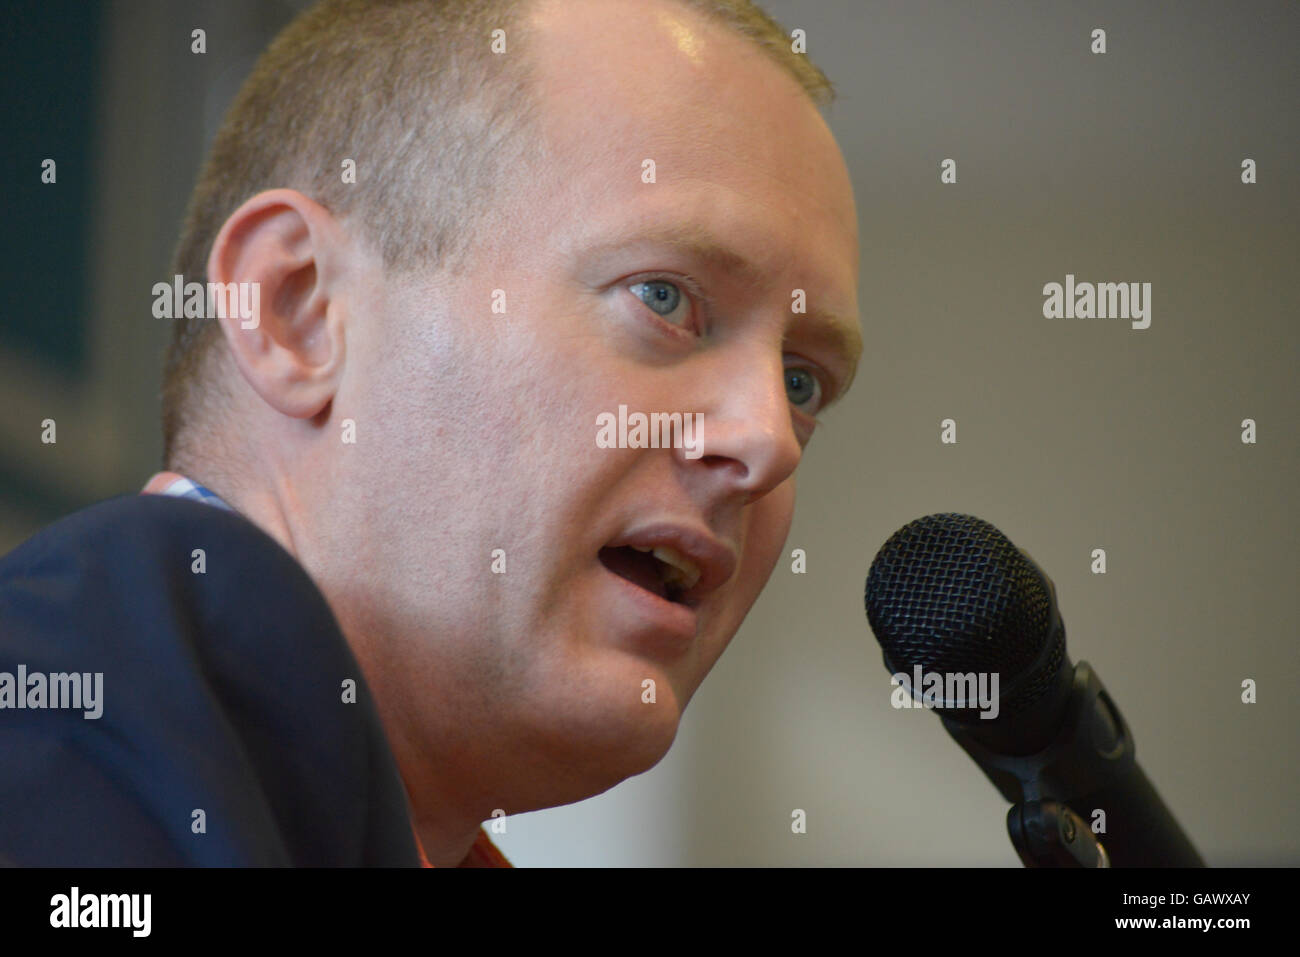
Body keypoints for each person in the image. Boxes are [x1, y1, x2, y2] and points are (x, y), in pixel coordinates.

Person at [0, 0, 862, 866]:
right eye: (664, 298)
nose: (769, 442)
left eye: (801, 382)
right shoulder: (60, 715)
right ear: (298, 308)